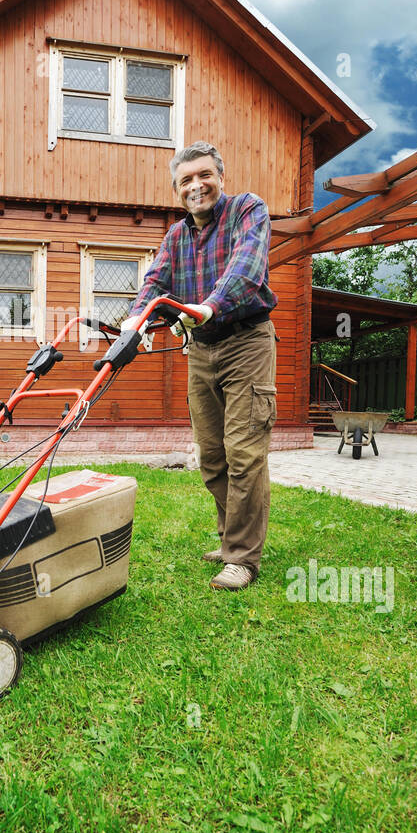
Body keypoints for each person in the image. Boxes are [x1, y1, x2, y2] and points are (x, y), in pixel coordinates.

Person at [123, 142, 278, 590]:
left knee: (244, 453)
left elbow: (246, 270)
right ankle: (234, 538)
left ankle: (243, 557)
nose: (196, 186)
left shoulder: (248, 210)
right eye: (186, 180)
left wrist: (208, 306)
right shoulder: (176, 236)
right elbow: (155, 280)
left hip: (247, 340)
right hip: (202, 349)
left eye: (204, 175)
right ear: (177, 189)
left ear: (220, 177)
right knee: (212, 456)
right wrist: (137, 317)